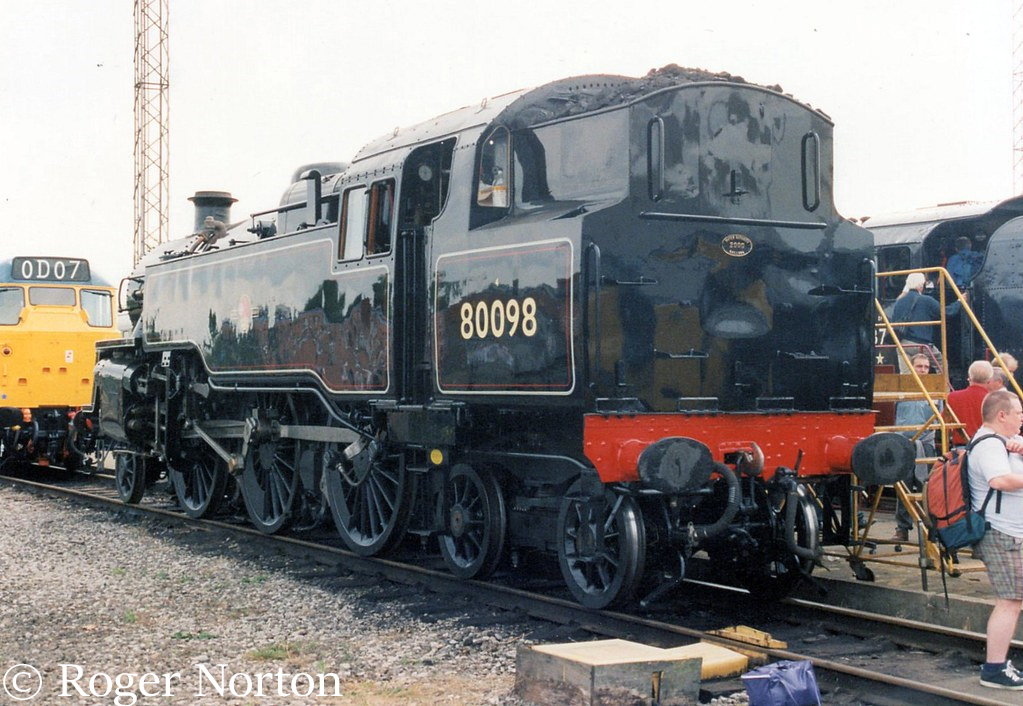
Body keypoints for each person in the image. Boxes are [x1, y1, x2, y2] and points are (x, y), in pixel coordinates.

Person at [968, 390, 1023, 689]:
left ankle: (999, 664)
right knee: (1009, 602)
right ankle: (994, 669)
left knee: (1012, 601)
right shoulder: (989, 445)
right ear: (1002, 415)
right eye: (1018, 413)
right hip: (1002, 534)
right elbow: (999, 480)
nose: (1022, 418)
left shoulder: (1003, 442)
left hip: (1011, 533)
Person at [892, 353, 941, 542]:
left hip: (925, 444)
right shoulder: (901, 386)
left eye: (926, 367)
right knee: (903, 486)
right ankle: (902, 528)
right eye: (919, 366)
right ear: (911, 367)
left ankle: (929, 530)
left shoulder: (934, 389)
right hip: (904, 442)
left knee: (926, 488)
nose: (922, 370)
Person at [890, 271, 963, 374]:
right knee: (942, 363)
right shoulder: (926, 300)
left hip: (903, 344)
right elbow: (947, 312)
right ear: (921, 286)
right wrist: (959, 302)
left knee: (906, 375)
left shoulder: (899, 302)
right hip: (921, 344)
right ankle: (941, 384)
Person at [948, 360, 994, 444]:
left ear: (969, 377)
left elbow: (945, 423)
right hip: (987, 444)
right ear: (989, 380)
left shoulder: (953, 397)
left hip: (961, 447)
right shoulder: (994, 399)